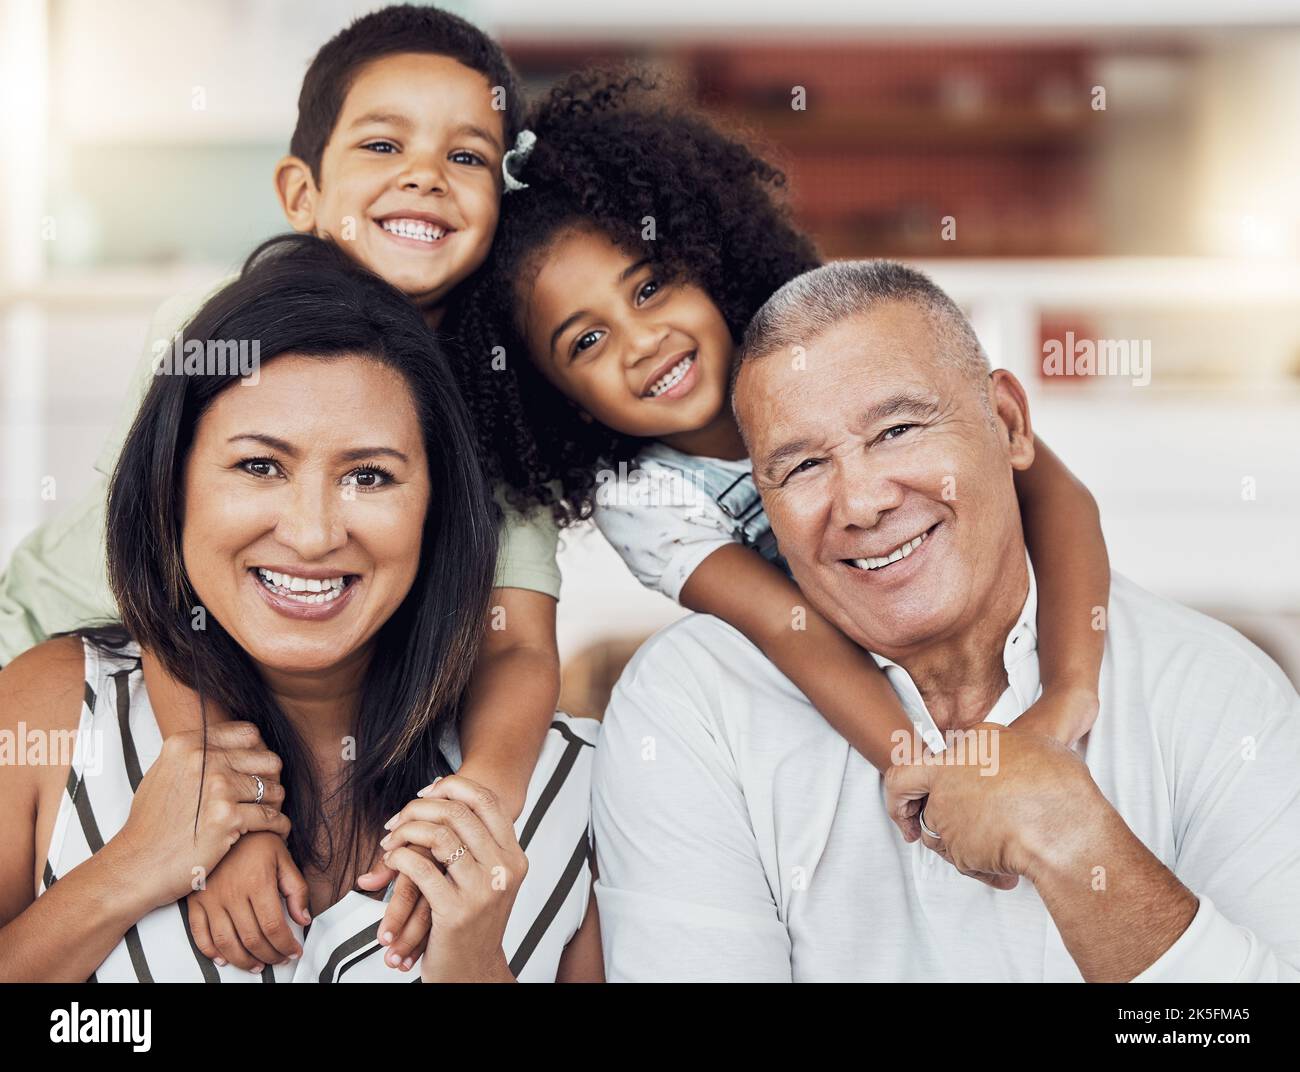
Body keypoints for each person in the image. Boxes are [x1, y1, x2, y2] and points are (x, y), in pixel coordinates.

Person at [0, 4, 567, 973]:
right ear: (301, 191)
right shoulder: (212, 326)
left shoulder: (496, 400)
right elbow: (162, 580)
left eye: (467, 156)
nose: (425, 172)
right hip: (77, 644)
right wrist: (232, 812)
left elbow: (518, 641)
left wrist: (477, 811)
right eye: (383, 142)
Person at [590, 259, 1300, 982]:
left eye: (897, 429)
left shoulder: (1219, 693)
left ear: (1009, 424)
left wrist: (1077, 842)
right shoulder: (689, 707)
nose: (861, 504)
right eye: (801, 468)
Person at [451, 70, 1108, 808]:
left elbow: (1056, 495)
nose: (643, 341)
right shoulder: (644, 501)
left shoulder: (829, 342)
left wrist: (1069, 697)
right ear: (557, 400)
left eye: (649, 288)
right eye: (589, 340)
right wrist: (918, 769)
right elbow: (791, 629)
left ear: (708, 260)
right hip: (860, 711)